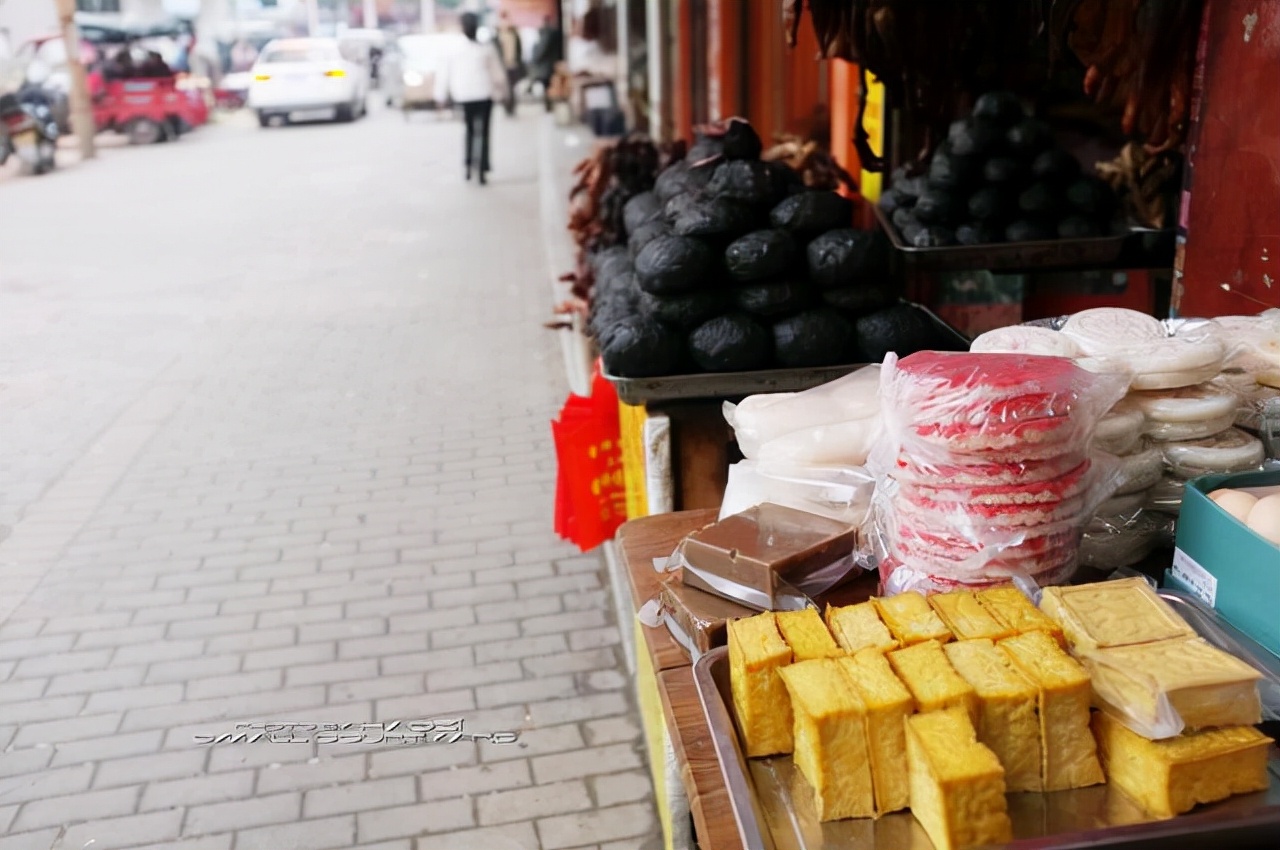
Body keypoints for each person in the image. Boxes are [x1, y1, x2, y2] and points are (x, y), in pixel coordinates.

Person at [434, 13, 509, 185]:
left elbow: (444, 74)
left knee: (469, 131)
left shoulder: (454, 49)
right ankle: (482, 168)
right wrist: (504, 93)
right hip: (484, 95)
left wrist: (440, 96)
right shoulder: (485, 48)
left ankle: (468, 166)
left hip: (464, 96)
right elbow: (498, 74)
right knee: (484, 132)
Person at [530, 15, 563, 113]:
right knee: (548, 85)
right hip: (549, 64)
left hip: (546, 66)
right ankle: (549, 105)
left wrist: (535, 57)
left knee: (547, 85)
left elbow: (541, 51)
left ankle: (549, 105)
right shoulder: (551, 33)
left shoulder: (546, 34)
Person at [494, 12, 524, 116]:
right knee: (504, 88)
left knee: (513, 87)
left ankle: (512, 107)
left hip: (513, 65)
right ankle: (506, 106)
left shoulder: (514, 34)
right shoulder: (497, 36)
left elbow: (519, 51)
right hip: (502, 66)